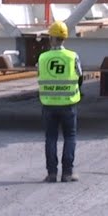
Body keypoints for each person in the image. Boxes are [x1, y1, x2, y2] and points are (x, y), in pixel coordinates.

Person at [38, 20, 83, 183]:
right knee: (70, 137)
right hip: (68, 104)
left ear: (51, 38)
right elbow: (80, 76)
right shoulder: (72, 56)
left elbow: (40, 75)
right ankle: (67, 173)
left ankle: (51, 174)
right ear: (65, 38)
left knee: (50, 138)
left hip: (48, 104)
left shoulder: (43, 58)